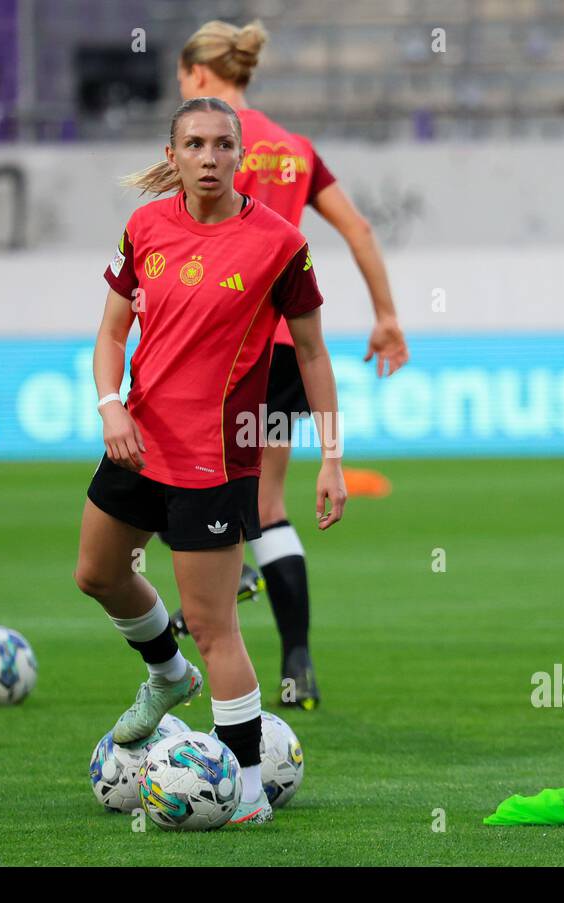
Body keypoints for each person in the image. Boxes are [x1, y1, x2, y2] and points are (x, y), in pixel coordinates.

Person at [74, 96, 345, 826]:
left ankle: (248, 792)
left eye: (223, 144)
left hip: (217, 461)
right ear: (174, 156)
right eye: (194, 144)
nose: (209, 157)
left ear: (239, 155)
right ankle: (167, 675)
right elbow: (109, 332)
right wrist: (110, 405)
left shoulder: (279, 244)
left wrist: (331, 457)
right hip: (137, 445)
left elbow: (312, 353)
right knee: (97, 575)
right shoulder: (143, 227)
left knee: (214, 622)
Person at [169, 19, 409, 709]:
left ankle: (228, 573)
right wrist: (386, 314)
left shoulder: (205, 144)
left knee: (167, 480)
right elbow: (358, 229)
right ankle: (297, 662)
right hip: (284, 348)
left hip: (216, 346)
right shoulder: (296, 149)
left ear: (201, 76)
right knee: (269, 504)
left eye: (183, 80)